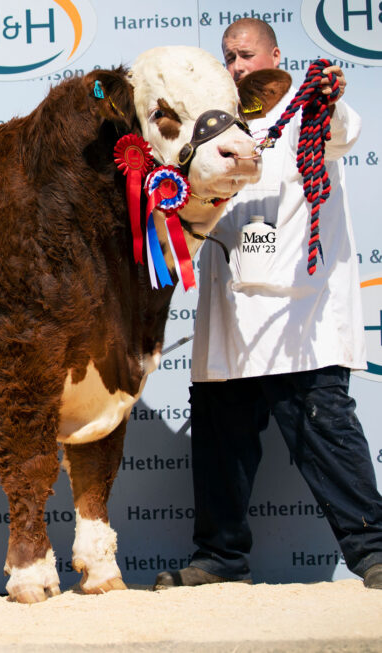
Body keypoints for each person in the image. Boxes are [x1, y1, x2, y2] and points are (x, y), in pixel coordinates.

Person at [155, 18, 382, 590]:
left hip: (300, 315)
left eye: (247, 55)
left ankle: (375, 552)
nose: (236, 66)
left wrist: (327, 93)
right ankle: (219, 559)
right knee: (219, 447)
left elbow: (345, 130)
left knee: (324, 434)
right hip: (229, 318)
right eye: (228, 57)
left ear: (274, 56)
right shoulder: (212, 129)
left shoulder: (311, 110)